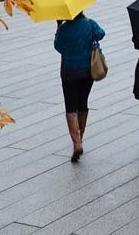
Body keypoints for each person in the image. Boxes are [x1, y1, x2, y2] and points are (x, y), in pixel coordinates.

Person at [54, 10, 105, 162]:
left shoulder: (64, 29)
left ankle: (76, 143)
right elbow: (101, 34)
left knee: (70, 107)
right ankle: (80, 137)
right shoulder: (89, 24)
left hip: (69, 72)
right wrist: (88, 20)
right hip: (87, 71)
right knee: (83, 103)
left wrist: (58, 26)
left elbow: (58, 46)